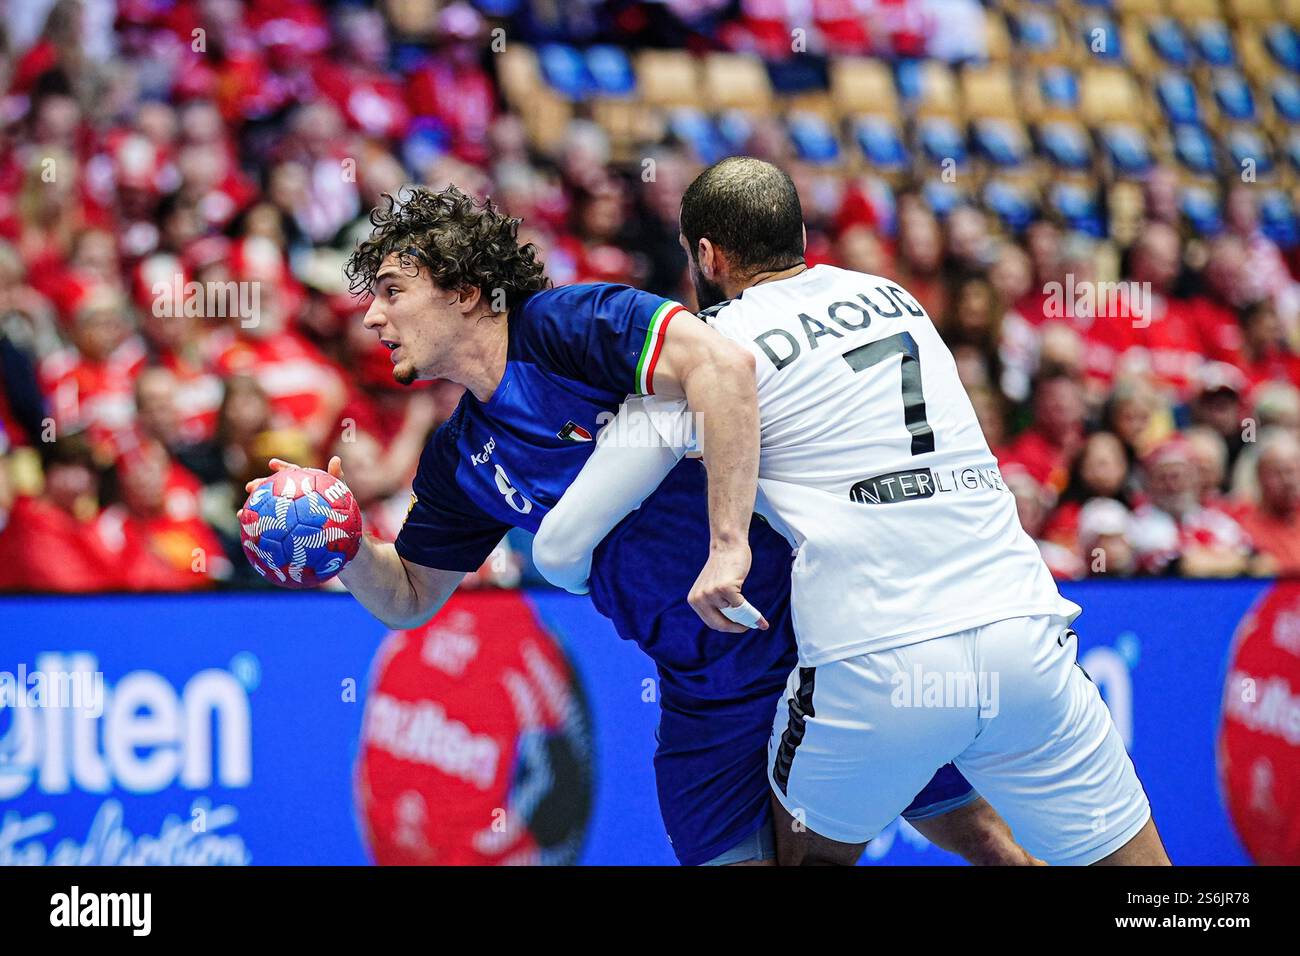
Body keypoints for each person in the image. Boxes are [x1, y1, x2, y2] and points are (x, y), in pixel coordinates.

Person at [248, 184, 1033, 866]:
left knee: (989, 846)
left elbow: (720, 364)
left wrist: (728, 545)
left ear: (467, 291)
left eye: (391, 290)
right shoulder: (459, 456)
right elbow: (410, 597)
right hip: (700, 692)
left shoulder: (570, 324)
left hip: (812, 642)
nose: (373, 314)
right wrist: (342, 543)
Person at [534, 156, 1170, 867]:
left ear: (707, 256)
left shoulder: (714, 352)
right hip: (1022, 631)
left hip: (874, 659)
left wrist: (565, 557)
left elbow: (567, 536)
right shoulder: (896, 298)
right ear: (800, 234)